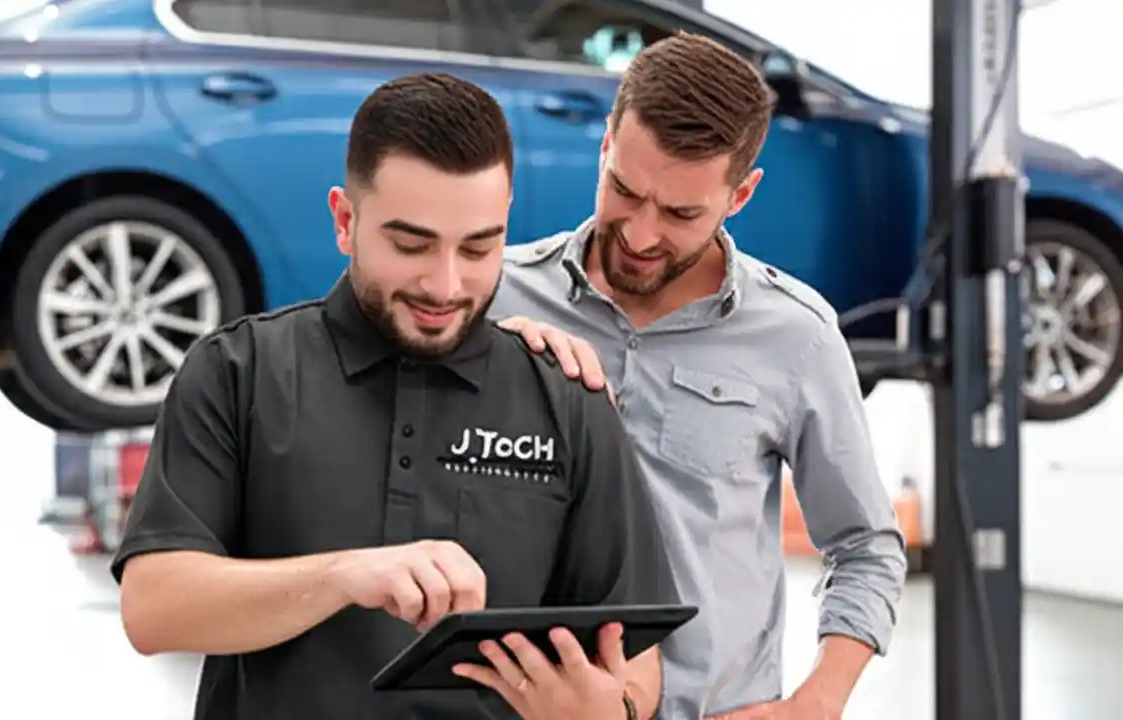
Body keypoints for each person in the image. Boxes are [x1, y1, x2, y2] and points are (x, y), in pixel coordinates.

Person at [112, 72, 680, 720]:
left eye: (478, 248)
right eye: (411, 245)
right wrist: (344, 576)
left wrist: (610, 713)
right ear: (345, 221)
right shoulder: (237, 372)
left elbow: (633, 656)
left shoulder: (568, 397)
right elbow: (154, 608)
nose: (445, 285)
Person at [490, 33, 908, 719]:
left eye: (681, 214)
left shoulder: (797, 336)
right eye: (624, 190)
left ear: (740, 194)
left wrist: (817, 702)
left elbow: (866, 547)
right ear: (606, 144)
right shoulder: (496, 293)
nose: (640, 234)